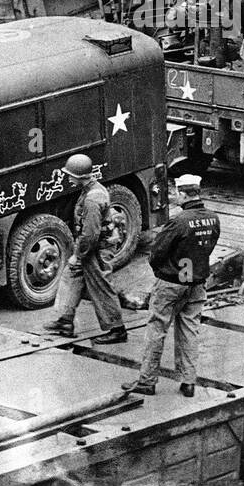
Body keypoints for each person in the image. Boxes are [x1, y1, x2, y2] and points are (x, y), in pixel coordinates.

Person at [122, 175, 221, 397]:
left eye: (176, 193)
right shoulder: (213, 219)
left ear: (184, 194)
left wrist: (160, 271)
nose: (174, 196)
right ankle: (188, 382)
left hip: (171, 283)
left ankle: (147, 381)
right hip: (196, 283)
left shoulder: (179, 221)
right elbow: (209, 247)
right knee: (189, 329)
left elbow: (157, 252)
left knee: (157, 328)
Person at [41, 154, 126, 344]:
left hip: (97, 250)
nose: (68, 178)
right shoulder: (91, 189)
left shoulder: (92, 199)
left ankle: (117, 329)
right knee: (70, 278)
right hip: (92, 247)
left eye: (70, 175)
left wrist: (77, 256)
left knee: (101, 287)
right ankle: (64, 321)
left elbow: (90, 235)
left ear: (80, 176)